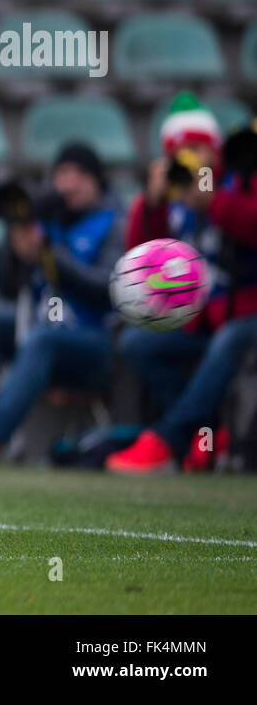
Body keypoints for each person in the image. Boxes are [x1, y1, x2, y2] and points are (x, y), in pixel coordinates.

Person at [108, 94, 257, 473]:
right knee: (137, 343)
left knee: (229, 341)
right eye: (181, 152)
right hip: (199, 321)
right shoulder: (177, 199)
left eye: (198, 148)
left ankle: (169, 439)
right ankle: (202, 435)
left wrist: (213, 203)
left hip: (243, 315)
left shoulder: (240, 178)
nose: (191, 158)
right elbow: (140, 266)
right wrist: (153, 202)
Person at [0, 142, 124, 464]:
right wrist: (13, 242)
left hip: (96, 346)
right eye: (62, 173)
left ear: (97, 181)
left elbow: (107, 288)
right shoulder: (47, 220)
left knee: (42, 340)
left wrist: (49, 255)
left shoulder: (114, 223)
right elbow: (6, 288)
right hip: (42, 336)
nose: (69, 183)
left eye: (80, 174)